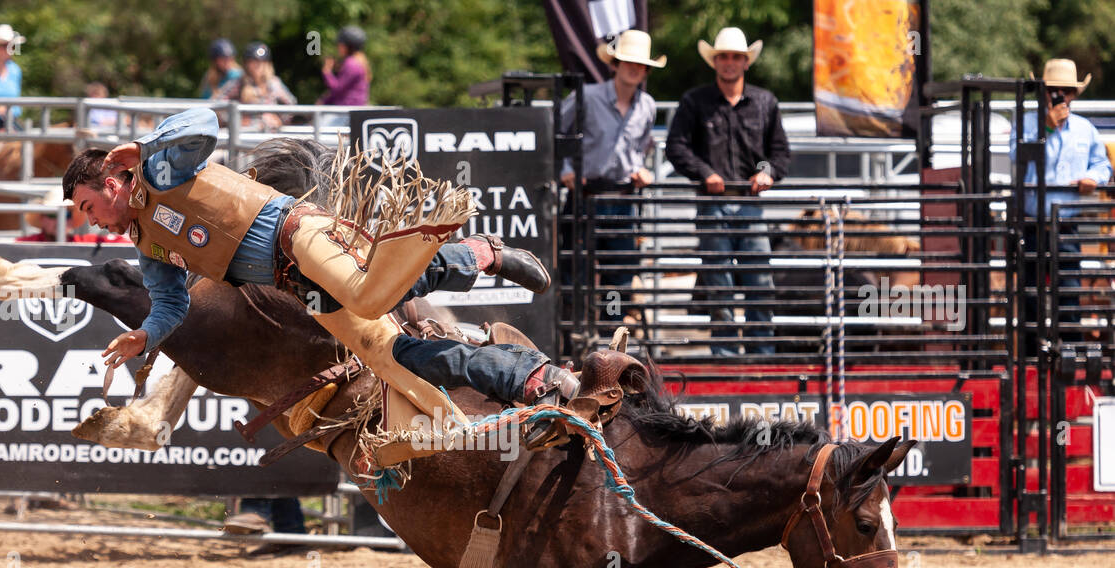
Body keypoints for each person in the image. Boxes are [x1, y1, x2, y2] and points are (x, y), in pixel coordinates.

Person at [60, 107, 572, 449]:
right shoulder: (148, 245)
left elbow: (204, 123)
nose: (91, 220)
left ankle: (473, 254)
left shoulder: (160, 172)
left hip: (303, 236)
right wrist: (145, 334)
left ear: (110, 183)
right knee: (392, 356)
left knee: (369, 296)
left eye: (88, 206)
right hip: (300, 284)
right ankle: (526, 377)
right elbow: (172, 305)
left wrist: (144, 144)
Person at [665, 27, 790, 356]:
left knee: (759, 282)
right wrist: (705, 173)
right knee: (721, 283)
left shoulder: (765, 103)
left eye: (736, 56)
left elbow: (780, 154)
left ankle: (761, 353)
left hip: (748, 202)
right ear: (715, 61)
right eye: (724, 56)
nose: (730, 62)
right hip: (713, 203)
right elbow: (676, 146)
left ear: (746, 62)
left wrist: (767, 173)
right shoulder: (696, 102)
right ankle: (727, 355)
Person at [557, 29, 662, 329]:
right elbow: (557, 135)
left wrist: (642, 169)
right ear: (614, 64)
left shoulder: (648, 106)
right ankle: (575, 335)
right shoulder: (586, 97)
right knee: (576, 268)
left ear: (645, 70)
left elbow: (641, 146)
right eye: (628, 61)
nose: (633, 68)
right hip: (585, 194)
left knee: (620, 269)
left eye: (640, 64)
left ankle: (610, 331)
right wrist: (565, 169)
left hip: (623, 198)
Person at [1010, 58, 1112, 350]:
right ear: (1044, 92)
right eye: (1054, 90)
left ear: (1073, 95)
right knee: (1030, 294)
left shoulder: (1084, 129)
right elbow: (1019, 157)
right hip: (1032, 222)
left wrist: (1092, 178)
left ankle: (1073, 355)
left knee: (1068, 291)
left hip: (1066, 224)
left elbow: (1102, 165)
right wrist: (1047, 129)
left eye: (1065, 91)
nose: (1060, 97)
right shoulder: (1028, 123)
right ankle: (1032, 359)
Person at [16, 186, 128, 243]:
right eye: (53, 215)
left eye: (67, 215)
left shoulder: (82, 242)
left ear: (72, 219)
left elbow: (125, 242)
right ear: (42, 218)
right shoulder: (25, 244)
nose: (61, 221)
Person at [317, 25, 370, 129]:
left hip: (345, 111)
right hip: (350, 110)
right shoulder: (359, 62)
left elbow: (337, 89)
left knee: (318, 131)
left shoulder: (352, 64)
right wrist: (325, 101)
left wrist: (327, 72)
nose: (338, 47)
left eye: (340, 44)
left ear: (348, 46)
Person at [240, 42, 297, 132]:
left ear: (267, 64)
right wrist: (236, 119)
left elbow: (292, 104)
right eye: (252, 61)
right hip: (246, 134)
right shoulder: (240, 82)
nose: (257, 65)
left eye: (261, 62)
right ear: (247, 64)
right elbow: (221, 102)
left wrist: (280, 119)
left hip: (270, 134)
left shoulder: (274, 83)